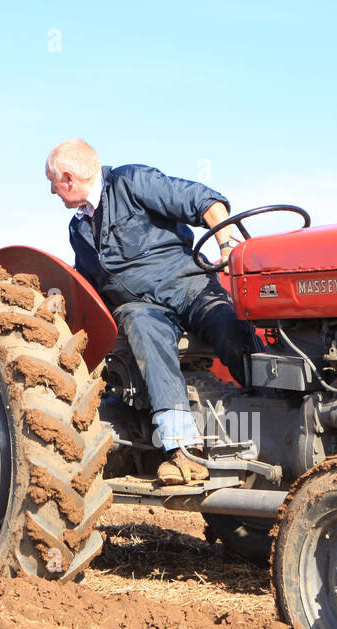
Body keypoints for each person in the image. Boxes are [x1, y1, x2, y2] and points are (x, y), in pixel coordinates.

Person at [46, 138, 260, 485]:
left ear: (68, 178)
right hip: (145, 310)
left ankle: (275, 412)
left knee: (229, 326)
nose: (52, 193)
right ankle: (183, 451)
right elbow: (86, 285)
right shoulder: (79, 228)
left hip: (190, 288)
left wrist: (226, 243)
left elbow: (203, 200)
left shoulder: (131, 182)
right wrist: (59, 300)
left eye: (53, 184)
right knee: (140, 323)